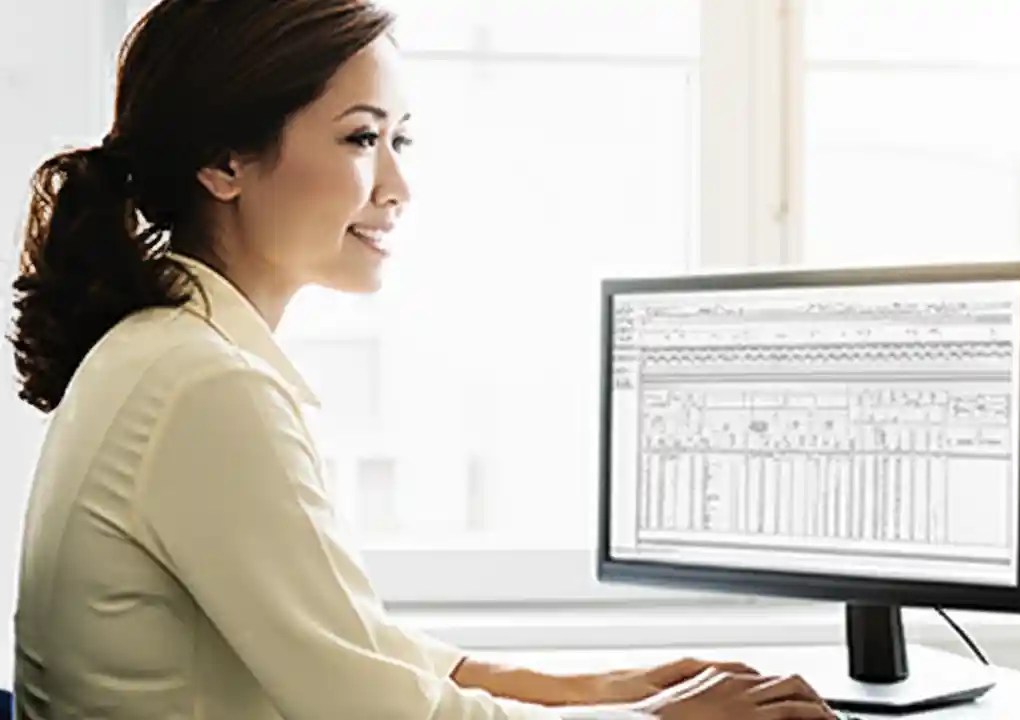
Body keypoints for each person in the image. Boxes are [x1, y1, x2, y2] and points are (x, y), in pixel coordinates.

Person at [6, 2, 840, 719]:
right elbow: (384, 711)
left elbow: (355, 643)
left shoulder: (169, 349)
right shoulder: (205, 386)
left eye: (400, 137)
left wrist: (607, 688)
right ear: (224, 162)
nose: (398, 185)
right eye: (362, 137)